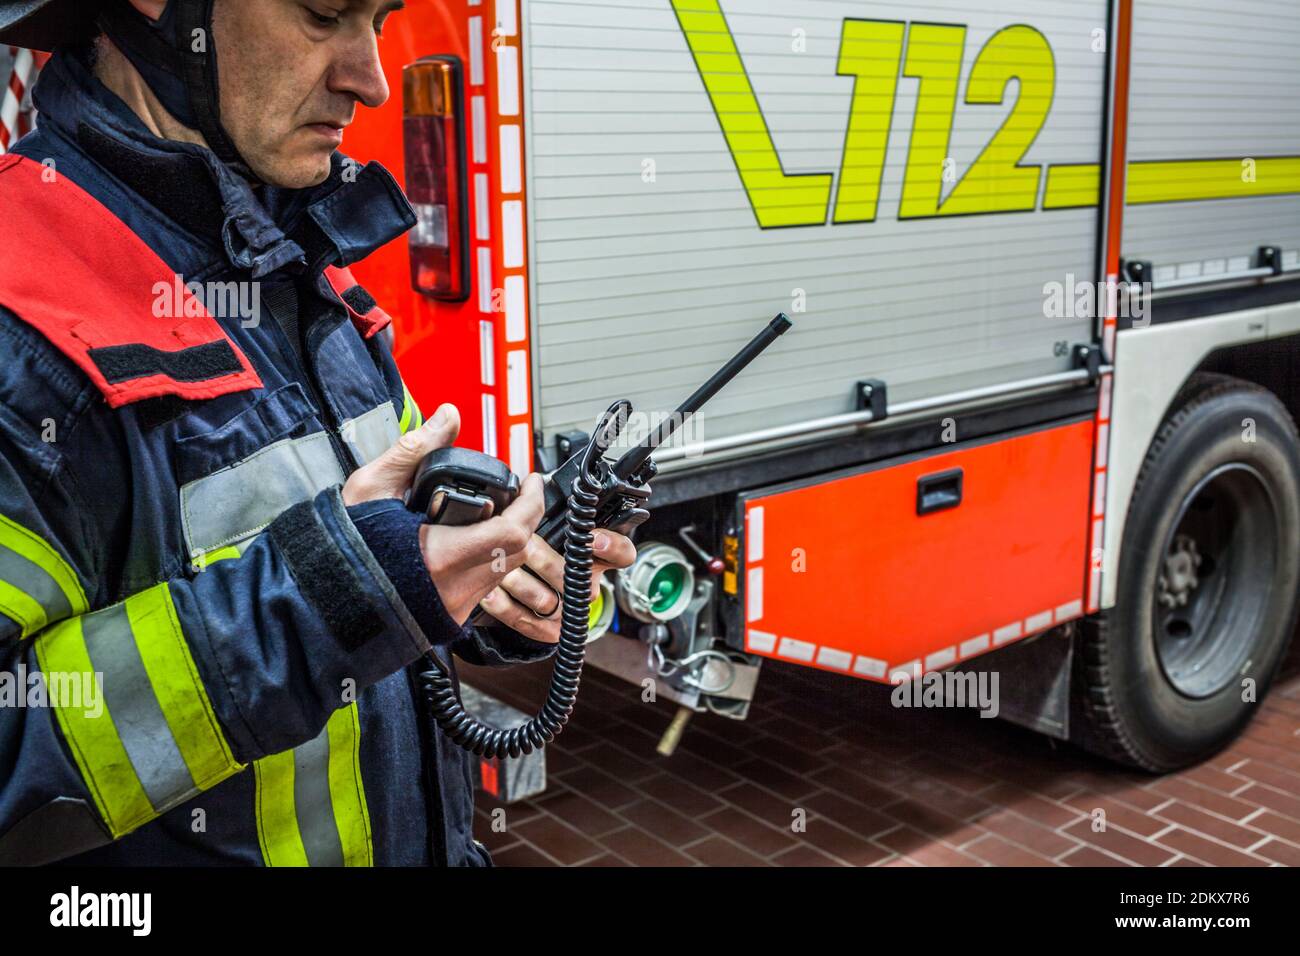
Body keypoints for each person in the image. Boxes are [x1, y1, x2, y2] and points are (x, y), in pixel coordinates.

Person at [0, 0, 635, 866]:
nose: (370, 78)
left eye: (377, 19)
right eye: (324, 13)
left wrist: (479, 581)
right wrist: (331, 597)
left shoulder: (291, 257)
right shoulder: (18, 319)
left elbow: (383, 547)